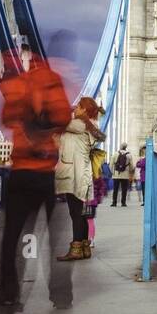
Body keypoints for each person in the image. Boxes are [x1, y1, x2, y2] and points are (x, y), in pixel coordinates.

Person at [0, 50, 73, 314]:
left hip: (20, 172)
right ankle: (61, 295)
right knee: (56, 239)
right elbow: (63, 118)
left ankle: (7, 300)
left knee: (12, 238)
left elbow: (6, 118)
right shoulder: (53, 81)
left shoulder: (20, 83)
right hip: (45, 174)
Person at [55, 97, 105, 261]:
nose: (75, 109)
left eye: (78, 107)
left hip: (74, 174)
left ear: (85, 109)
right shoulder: (87, 126)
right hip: (80, 172)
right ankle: (84, 247)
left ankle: (76, 247)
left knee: (75, 212)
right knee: (80, 213)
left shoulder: (80, 124)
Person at [111, 142, 133, 206]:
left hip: (116, 175)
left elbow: (111, 164)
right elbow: (132, 166)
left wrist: (113, 172)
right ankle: (123, 203)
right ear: (126, 147)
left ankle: (114, 202)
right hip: (125, 175)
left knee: (115, 189)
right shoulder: (129, 155)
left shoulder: (115, 153)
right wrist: (129, 171)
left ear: (120, 147)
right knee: (124, 189)